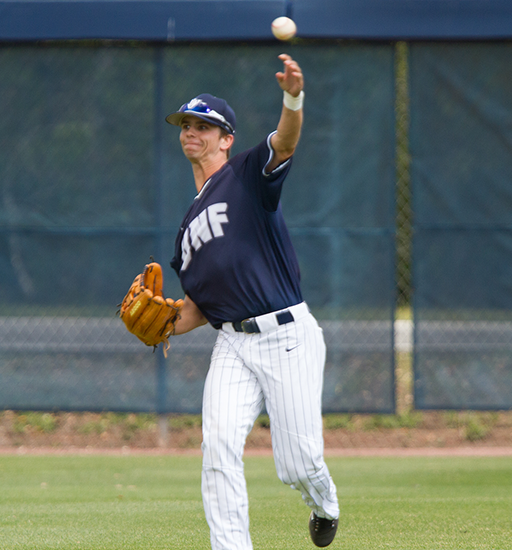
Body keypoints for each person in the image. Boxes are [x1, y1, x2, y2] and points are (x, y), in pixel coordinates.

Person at [166, 54, 340, 549]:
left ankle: (324, 503)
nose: (191, 132)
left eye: (204, 125)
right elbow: (198, 307)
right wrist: (163, 323)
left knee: (297, 464)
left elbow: (285, 140)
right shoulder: (185, 232)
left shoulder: (244, 175)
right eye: (185, 124)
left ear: (226, 139)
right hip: (232, 345)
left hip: (287, 335)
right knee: (218, 447)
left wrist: (293, 97)